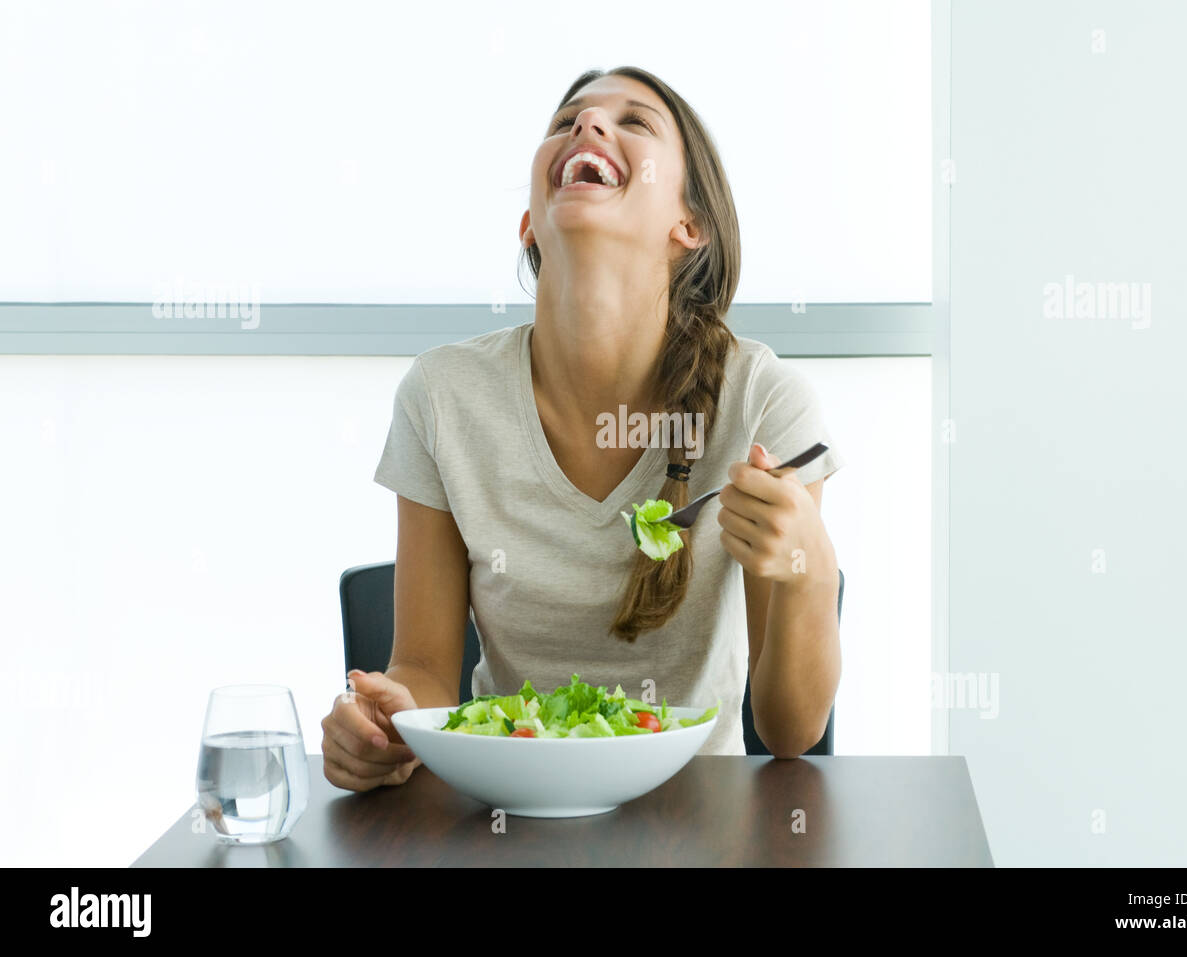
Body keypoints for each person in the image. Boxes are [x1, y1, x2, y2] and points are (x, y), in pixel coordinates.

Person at [321, 66, 844, 792]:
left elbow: (791, 731)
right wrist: (390, 718)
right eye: (567, 121)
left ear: (689, 224)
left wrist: (809, 567)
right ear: (530, 221)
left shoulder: (763, 400)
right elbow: (427, 674)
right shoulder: (442, 396)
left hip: (698, 826)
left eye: (634, 122)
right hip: (505, 820)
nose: (587, 127)